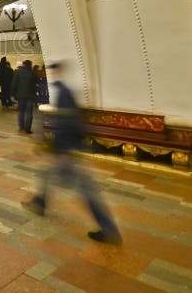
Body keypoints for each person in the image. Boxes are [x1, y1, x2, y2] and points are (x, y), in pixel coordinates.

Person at [24, 62, 122, 245]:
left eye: (52, 72)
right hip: (68, 147)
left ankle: (109, 230)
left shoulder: (64, 92)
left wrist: (58, 147)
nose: (50, 75)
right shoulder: (63, 90)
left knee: (86, 190)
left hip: (67, 150)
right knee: (47, 173)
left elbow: (67, 123)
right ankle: (39, 202)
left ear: (57, 72)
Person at [11, 60, 37, 133]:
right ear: (30, 65)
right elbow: (36, 84)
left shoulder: (18, 72)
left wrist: (12, 94)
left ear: (23, 65)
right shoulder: (33, 73)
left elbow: (14, 83)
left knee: (21, 111)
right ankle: (27, 129)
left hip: (20, 95)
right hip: (30, 95)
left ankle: (21, 127)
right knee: (29, 112)